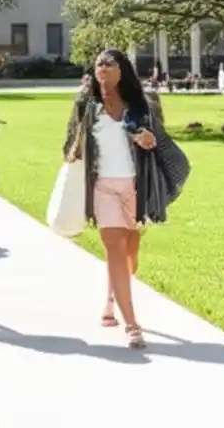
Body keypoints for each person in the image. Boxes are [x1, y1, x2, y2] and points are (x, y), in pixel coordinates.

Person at [62, 49, 162, 349]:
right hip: (103, 187)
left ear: (122, 70)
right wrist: (74, 149)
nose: (102, 68)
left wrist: (147, 138)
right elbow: (68, 144)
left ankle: (111, 297)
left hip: (134, 187)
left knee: (131, 251)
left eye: (109, 63)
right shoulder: (86, 104)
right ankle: (132, 325)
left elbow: (158, 141)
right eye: (98, 64)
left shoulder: (142, 103)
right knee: (115, 249)